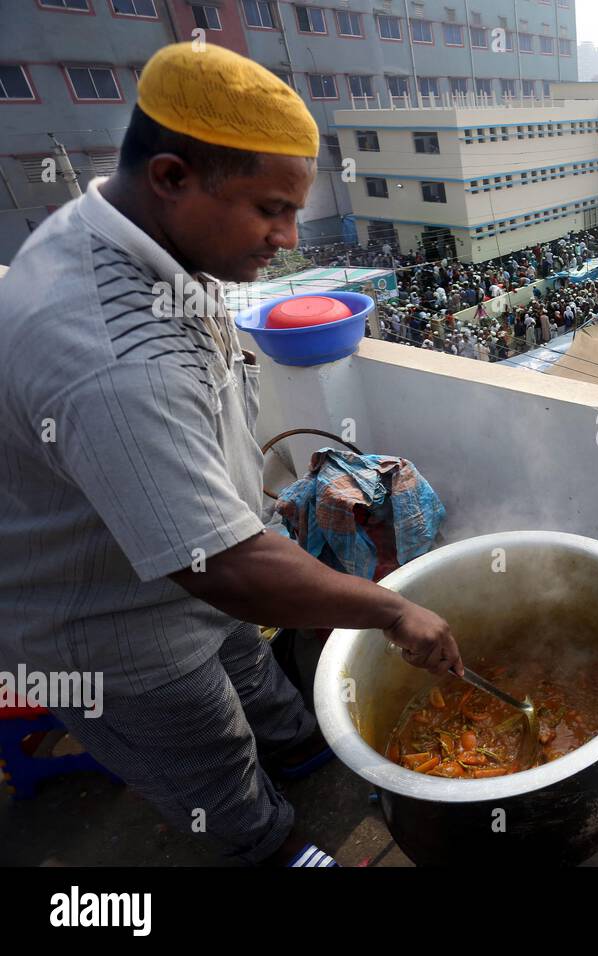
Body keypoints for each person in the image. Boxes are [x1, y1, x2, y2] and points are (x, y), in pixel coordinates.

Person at [0, 44, 462, 868]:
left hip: (204, 563)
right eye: (270, 211)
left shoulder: (137, 233)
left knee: (256, 678)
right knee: (208, 764)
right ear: (172, 176)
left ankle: (305, 752)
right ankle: (275, 846)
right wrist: (391, 609)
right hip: (114, 625)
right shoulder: (111, 359)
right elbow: (222, 567)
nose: (288, 240)